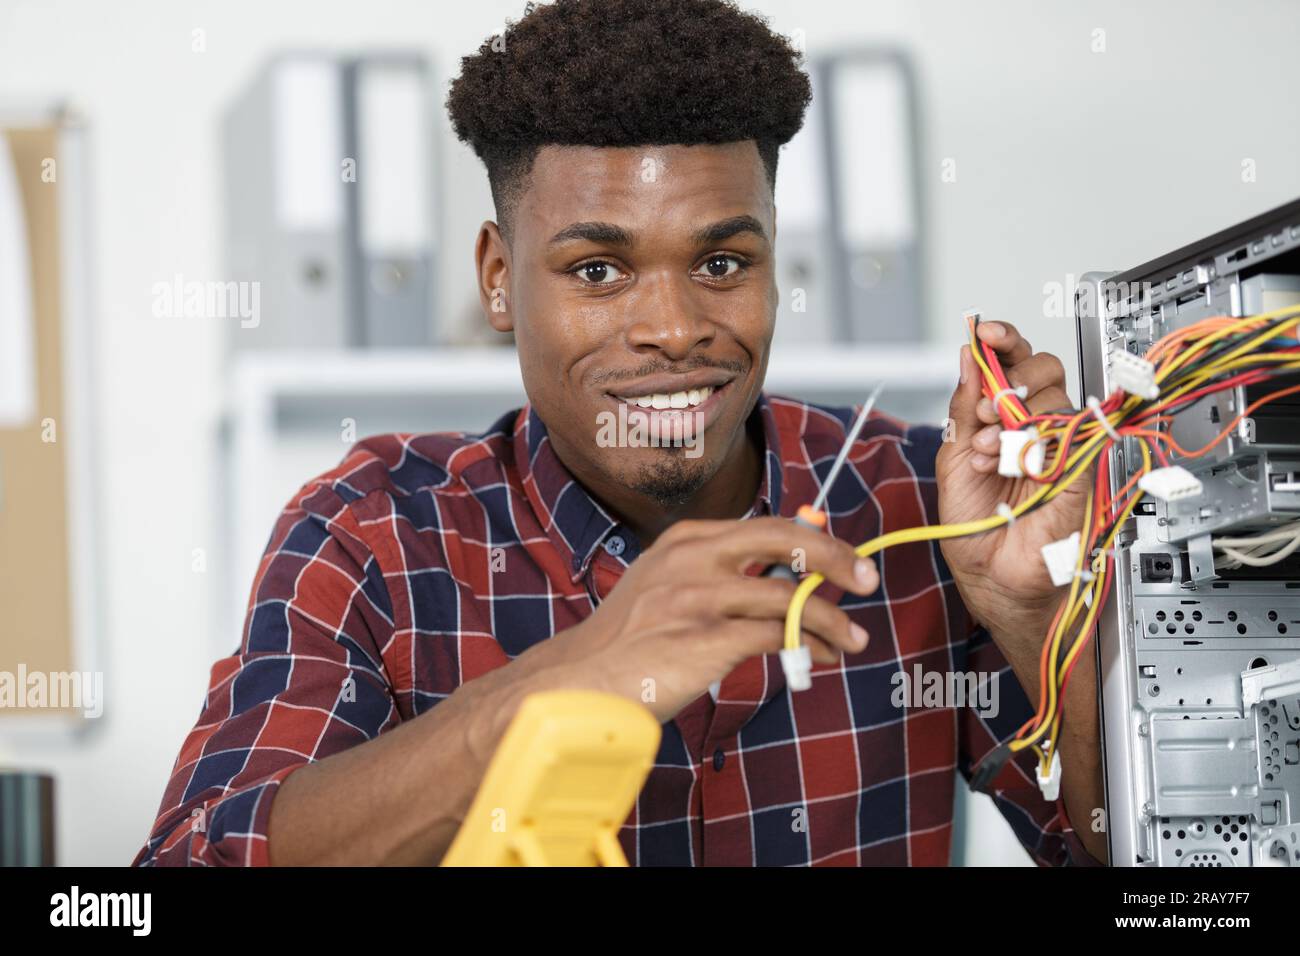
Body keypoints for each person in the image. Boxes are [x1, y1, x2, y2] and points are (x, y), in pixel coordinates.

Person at [135, 0, 1104, 866]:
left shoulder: (915, 501)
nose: (675, 329)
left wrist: (1030, 614)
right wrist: (566, 678)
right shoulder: (374, 532)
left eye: (722, 260)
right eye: (597, 271)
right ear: (498, 278)